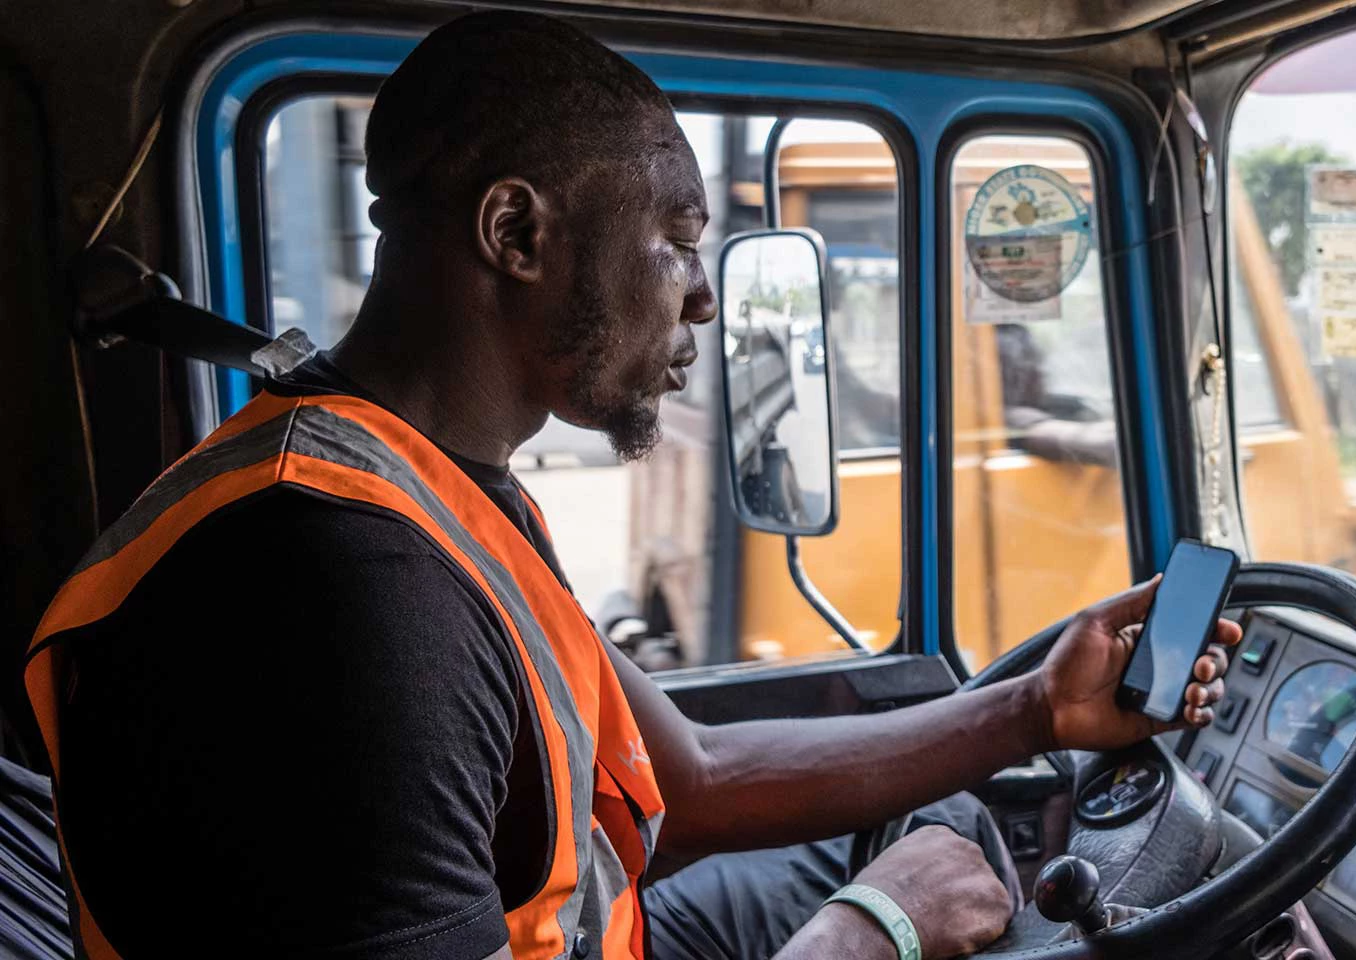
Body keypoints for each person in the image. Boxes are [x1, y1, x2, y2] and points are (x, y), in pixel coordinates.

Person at [23, 12, 1238, 960]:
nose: (703, 294)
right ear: (517, 233)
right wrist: (873, 931)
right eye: (678, 236)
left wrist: (1031, 712)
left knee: (954, 833)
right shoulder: (339, 590)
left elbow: (690, 783)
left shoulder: (439, 487)